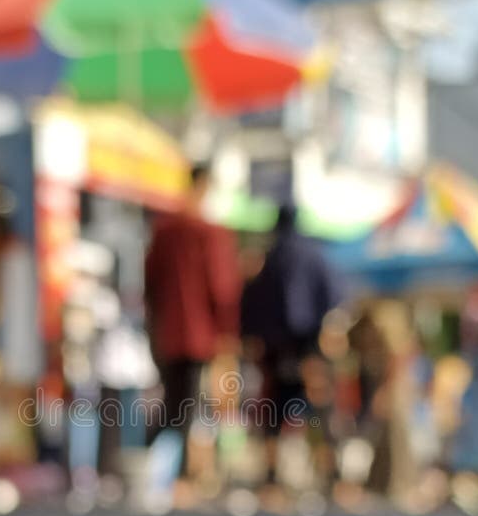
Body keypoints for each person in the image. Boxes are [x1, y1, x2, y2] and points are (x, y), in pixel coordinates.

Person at [144, 163, 241, 478]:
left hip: (166, 333)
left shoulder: (164, 231)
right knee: (186, 404)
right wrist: (227, 332)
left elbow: (150, 283)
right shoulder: (210, 234)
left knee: (174, 401)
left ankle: (152, 462)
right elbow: (221, 288)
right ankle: (178, 473)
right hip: (200, 335)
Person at [241, 203, 344, 488]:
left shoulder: (271, 257)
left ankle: (272, 473)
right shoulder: (314, 254)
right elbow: (333, 295)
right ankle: (331, 473)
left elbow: (252, 303)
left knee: (274, 410)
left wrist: (255, 337)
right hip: (310, 344)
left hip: (276, 348)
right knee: (319, 408)